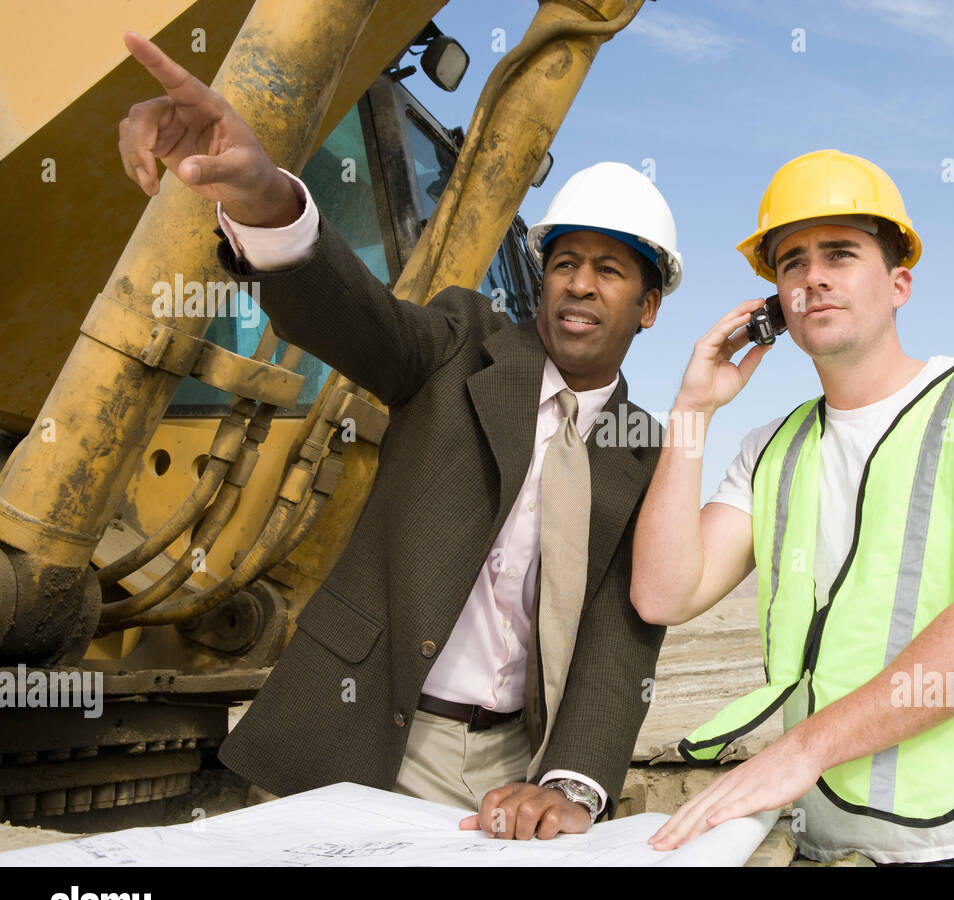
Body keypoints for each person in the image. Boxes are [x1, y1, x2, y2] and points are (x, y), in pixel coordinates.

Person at [116, 32, 680, 841]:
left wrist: (574, 784)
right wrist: (265, 196)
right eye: (565, 261)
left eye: (611, 269)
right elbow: (354, 315)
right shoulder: (460, 342)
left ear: (648, 305)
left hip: (514, 770)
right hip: (366, 730)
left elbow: (621, 638)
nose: (580, 284)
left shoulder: (641, 451)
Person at [631, 149, 954, 864]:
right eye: (791, 262)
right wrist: (693, 408)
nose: (812, 276)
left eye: (840, 253)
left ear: (899, 283)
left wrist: (803, 748)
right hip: (843, 849)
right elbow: (663, 592)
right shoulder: (771, 450)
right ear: (777, 305)